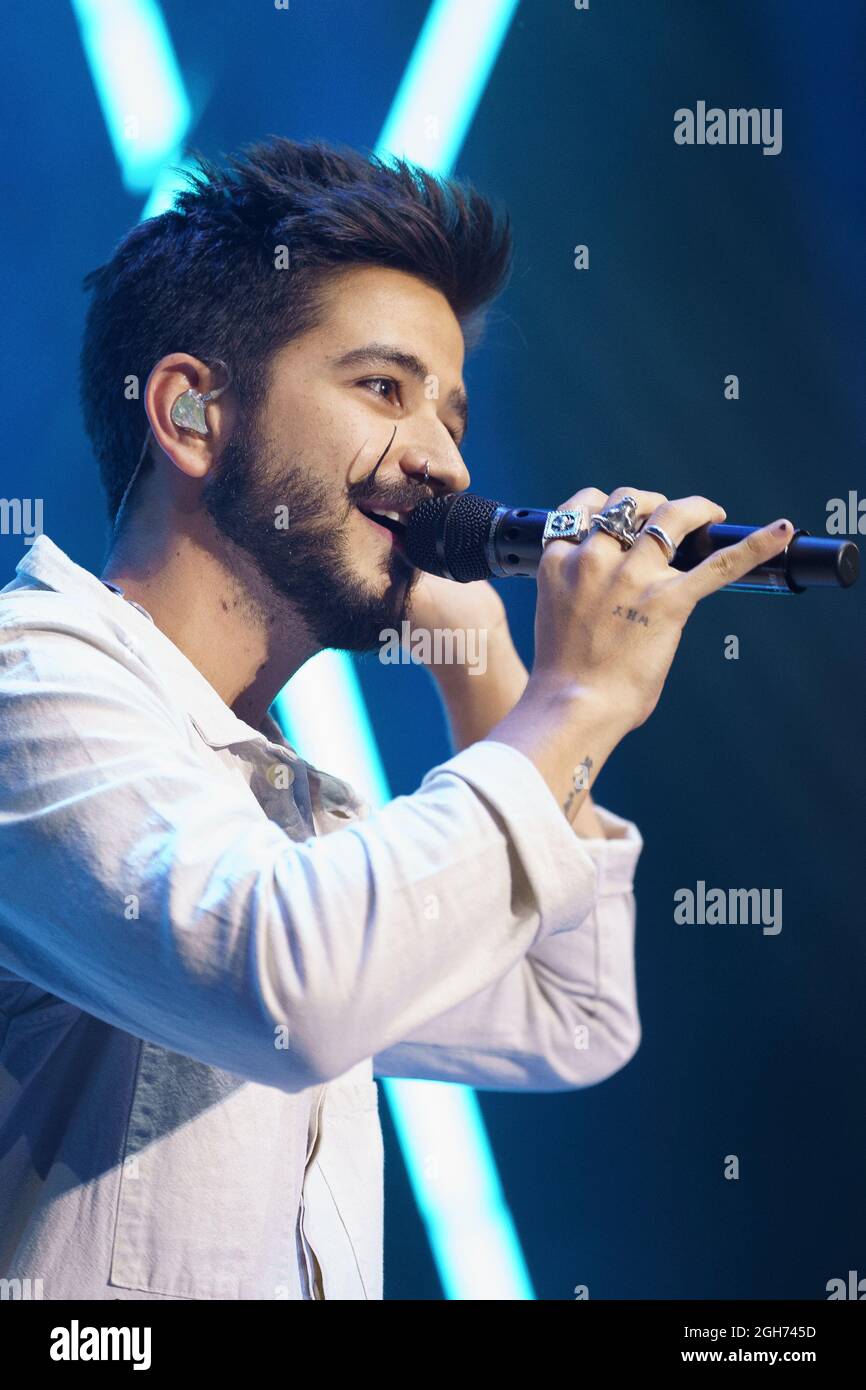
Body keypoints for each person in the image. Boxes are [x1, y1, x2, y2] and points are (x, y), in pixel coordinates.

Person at [0, 137, 792, 1301]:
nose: (441, 461)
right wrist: (574, 705)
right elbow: (295, 989)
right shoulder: (28, 681)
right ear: (190, 413)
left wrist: (485, 669)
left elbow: (568, 1013)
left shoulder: (288, 810)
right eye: (383, 388)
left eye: (451, 411)